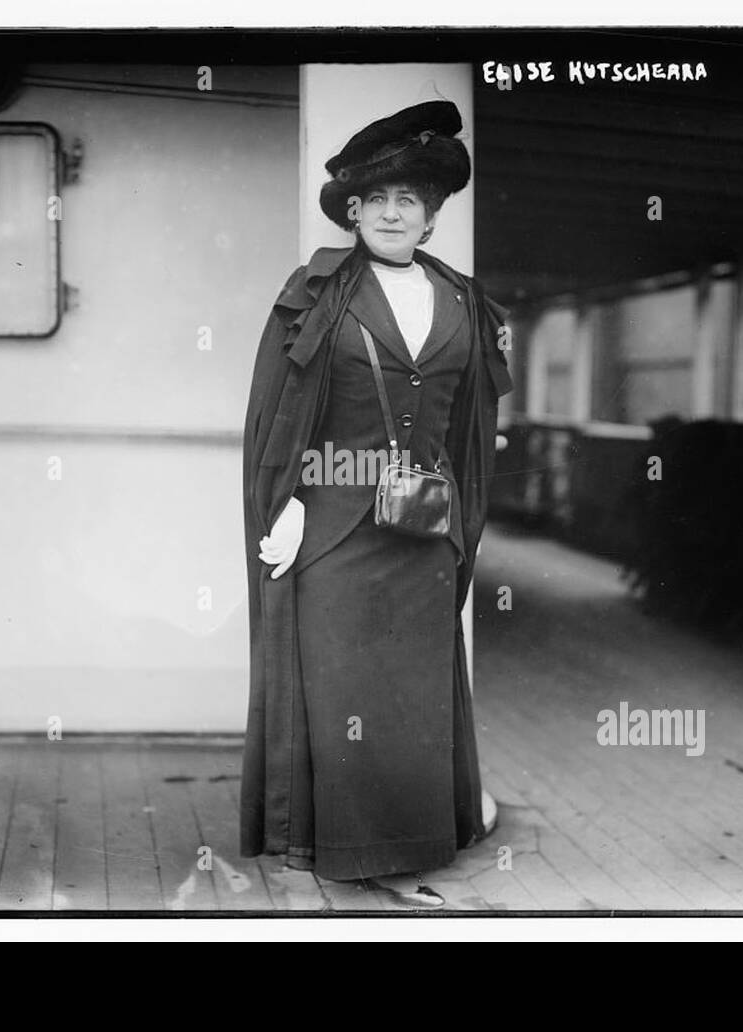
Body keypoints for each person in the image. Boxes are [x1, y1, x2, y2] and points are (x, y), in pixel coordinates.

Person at [240, 100, 512, 907]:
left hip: (426, 533)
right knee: (344, 688)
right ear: (353, 211)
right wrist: (285, 506)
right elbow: (280, 416)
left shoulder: (465, 301)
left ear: (430, 220)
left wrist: (464, 518)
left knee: (413, 692)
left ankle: (417, 839)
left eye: (412, 202)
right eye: (379, 200)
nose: (395, 213)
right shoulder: (319, 293)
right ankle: (347, 849)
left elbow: (473, 418)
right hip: (334, 530)